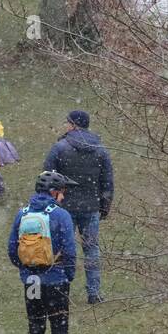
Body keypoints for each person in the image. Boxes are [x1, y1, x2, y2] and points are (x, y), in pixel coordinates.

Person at [8, 170, 78, 334]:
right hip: (56, 279)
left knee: (35, 326)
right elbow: (69, 249)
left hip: (31, 281)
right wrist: (69, 274)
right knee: (59, 326)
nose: (64, 197)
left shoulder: (22, 213)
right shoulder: (61, 215)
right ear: (55, 192)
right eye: (62, 192)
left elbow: (12, 248)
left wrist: (25, 270)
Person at [42, 109, 114, 304]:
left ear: (73, 124)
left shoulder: (59, 147)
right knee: (91, 249)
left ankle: (59, 290)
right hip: (91, 208)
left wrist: (51, 202)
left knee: (62, 248)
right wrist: (104, 206)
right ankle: (94, 293)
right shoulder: (101, 150)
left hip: (64, 207)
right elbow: (107, 182)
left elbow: (47, 177)